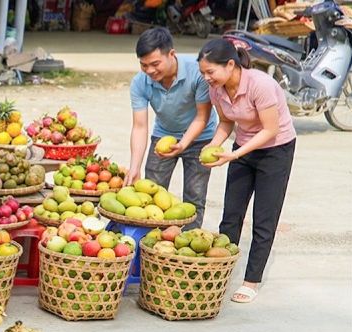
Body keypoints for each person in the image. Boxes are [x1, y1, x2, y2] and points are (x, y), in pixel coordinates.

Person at [198, 37, 296, 304]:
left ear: (230, 64)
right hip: (242, 147)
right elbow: (226, 122)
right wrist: (213, 146)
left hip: (275, 150)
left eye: (210, 71)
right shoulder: (217, 90)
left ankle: (251, 280)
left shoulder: (260, 84)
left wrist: (235, 154)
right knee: (231, 215)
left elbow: (270, 129)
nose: (207, 78)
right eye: (203, 73)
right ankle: (222, 269)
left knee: (264, 218)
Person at [126, 27, 218, 227]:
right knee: (150, 195)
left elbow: (202, 117)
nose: (150, 71)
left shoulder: (197, 73)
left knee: (194, 197)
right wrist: (135, 166)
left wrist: (184, 143)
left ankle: (189, 243)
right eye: (144, 65)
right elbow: (140, 127)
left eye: (155, 64)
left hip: (200, 136)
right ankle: (152, 244)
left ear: (171, 54)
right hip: (164, 135)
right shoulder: (140, 82)